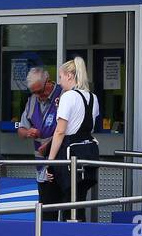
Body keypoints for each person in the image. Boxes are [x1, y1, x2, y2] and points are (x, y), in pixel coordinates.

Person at [47, 57, 102, 223]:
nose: (60, 82)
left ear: (70, 76)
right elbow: (88, 126)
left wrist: (50, 161)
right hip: (88, 154)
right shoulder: (93, 98)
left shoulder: (68, 96)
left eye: (61, 77)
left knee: (66, 201)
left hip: (69, 153)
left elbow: (60, 131)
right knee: (79, 201)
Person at [17, 67, 64, 217]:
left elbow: (67, 129)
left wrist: (49, 144)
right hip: (42, 166)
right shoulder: (32, 101)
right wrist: (28, 132)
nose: (38, 95)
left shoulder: (64, 96)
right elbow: (21, 130)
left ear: (48, 83)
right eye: (34, 92)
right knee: (47, 210)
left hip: (63, 162)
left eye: (39, 91)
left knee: (68, 209)